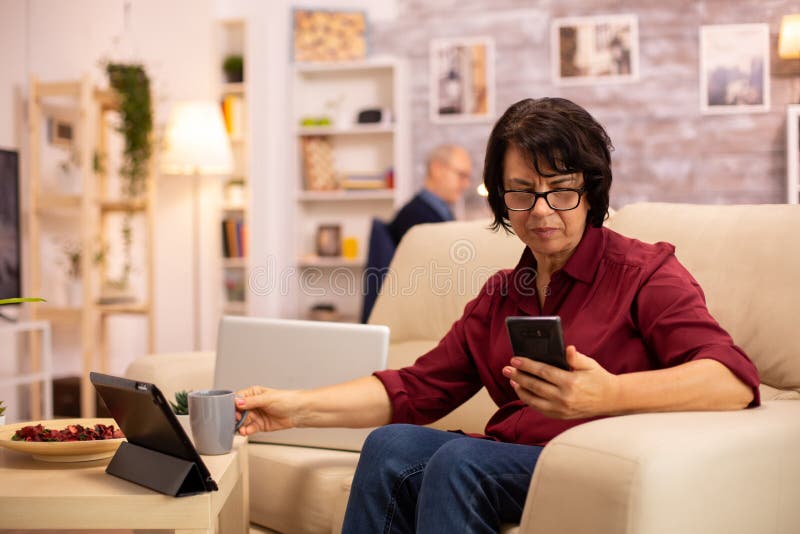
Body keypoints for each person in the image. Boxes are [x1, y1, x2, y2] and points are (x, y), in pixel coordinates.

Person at [235, 97, 760, 533]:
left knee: (459, 463)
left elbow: (733, 380)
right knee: (391, 444)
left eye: (561, 189)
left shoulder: (644, 272)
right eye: (522, 192)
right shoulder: (503, 294)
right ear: (501, 198)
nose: (541, 210)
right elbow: (412, 388)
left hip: (591, 460)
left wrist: (608, 394)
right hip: (509, 456)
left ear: (590, 191)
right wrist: (294, 408)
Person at [387, 143, 473, 246]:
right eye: (461, 175)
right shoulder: (415, 217)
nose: (466, 185)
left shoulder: (436, 212)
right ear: (437, 169)